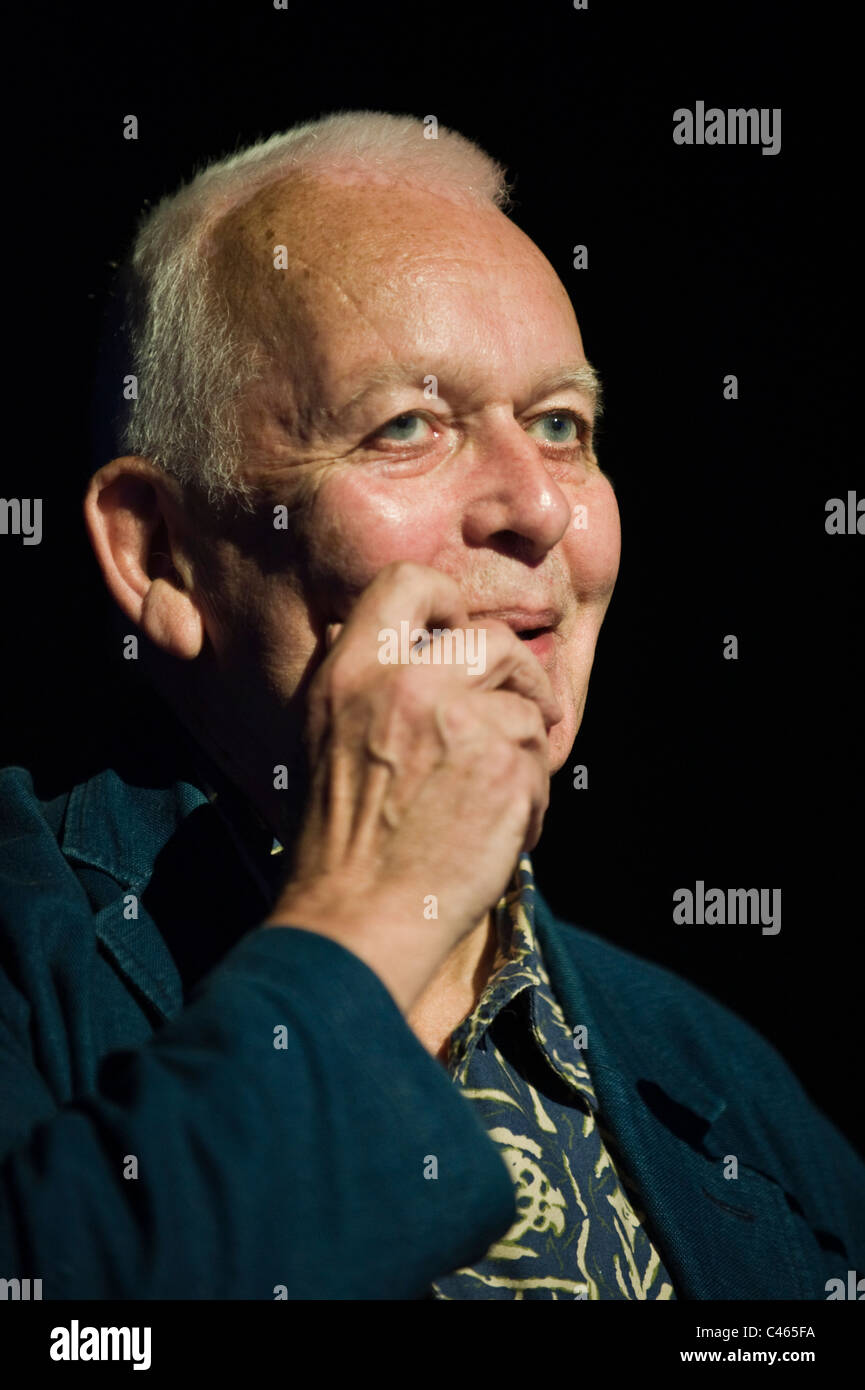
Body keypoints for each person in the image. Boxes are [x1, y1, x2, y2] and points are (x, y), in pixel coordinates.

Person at [1, 111, 862, 1301]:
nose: (537, 508)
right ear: (162, 555)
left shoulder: (715, 1076)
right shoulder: (22, 942)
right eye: (405, 426)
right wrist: (370, 918)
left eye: (562, 425)